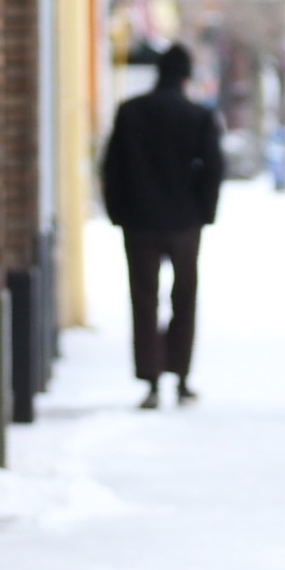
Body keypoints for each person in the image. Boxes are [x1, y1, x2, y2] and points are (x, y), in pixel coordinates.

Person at [101, 42, 226, 410]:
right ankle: (182, 376)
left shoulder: (131, 112)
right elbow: (214, 170)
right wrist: (205, 212)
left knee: (143, 297)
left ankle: (151, 378)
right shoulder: (199, 117)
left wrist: (118, 211)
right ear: (186, 75)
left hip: (140, 221)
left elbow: (111, 168)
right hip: (184, 222)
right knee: (184, 297)